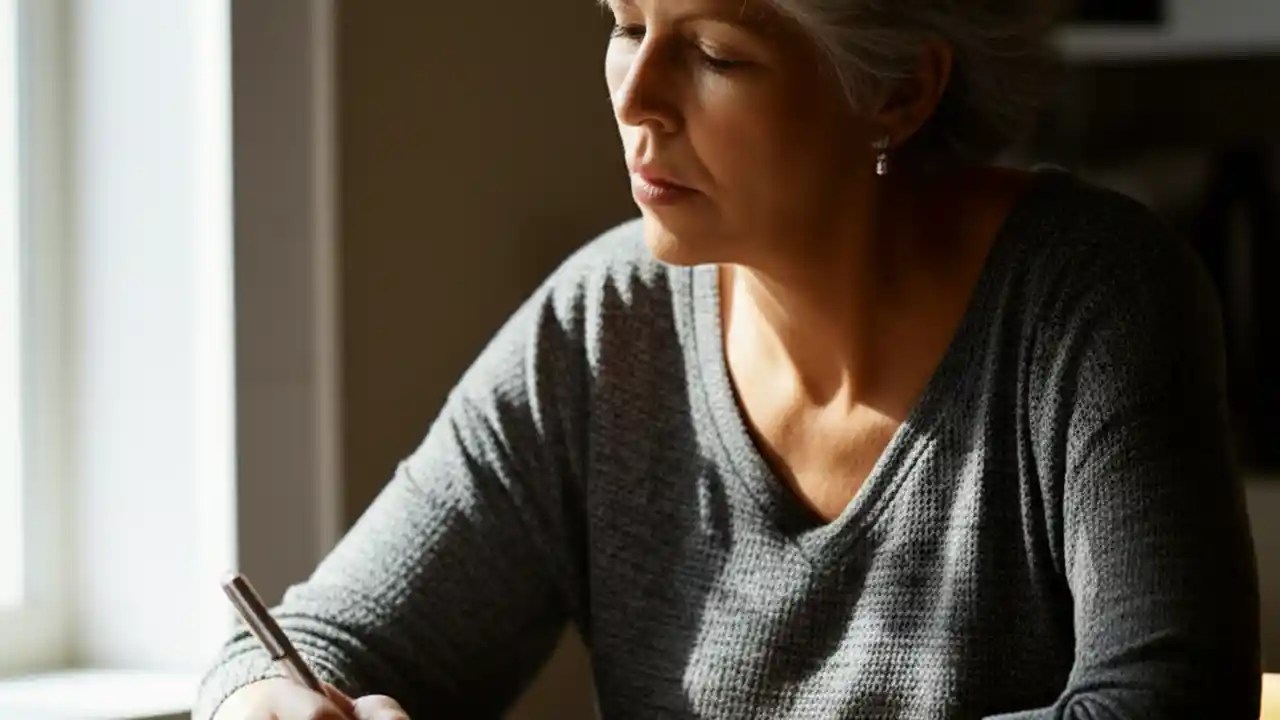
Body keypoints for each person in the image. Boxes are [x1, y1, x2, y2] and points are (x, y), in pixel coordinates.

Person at [196, 0, 1262, 717]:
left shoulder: (1088, 300)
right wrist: (268, 703)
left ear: (898, 92)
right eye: (626, 25)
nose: (635, 97)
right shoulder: (603, 328)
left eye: (713, 54)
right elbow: (304, 644)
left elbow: (1166, 703)